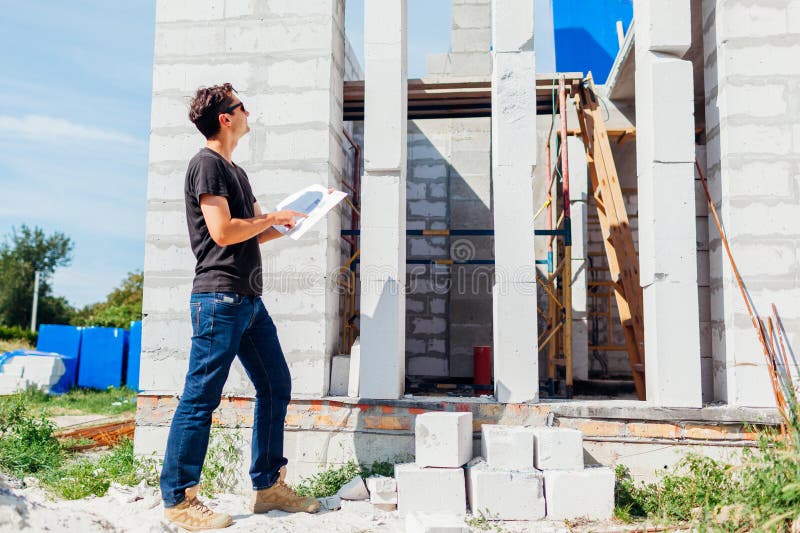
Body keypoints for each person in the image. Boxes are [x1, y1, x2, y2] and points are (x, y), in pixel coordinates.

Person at [160, 83, 320, 530]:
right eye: (242, 106)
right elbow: (225, 232)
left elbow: (252, 232)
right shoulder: (206, 164)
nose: (250, 112)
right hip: (218, 299)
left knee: (276, 385)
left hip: (248, 301)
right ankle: (179, 498)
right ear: (225, 118)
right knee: (200, 397)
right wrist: (270, 218)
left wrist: (295, 219)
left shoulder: (237, 172)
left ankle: (267, 487)